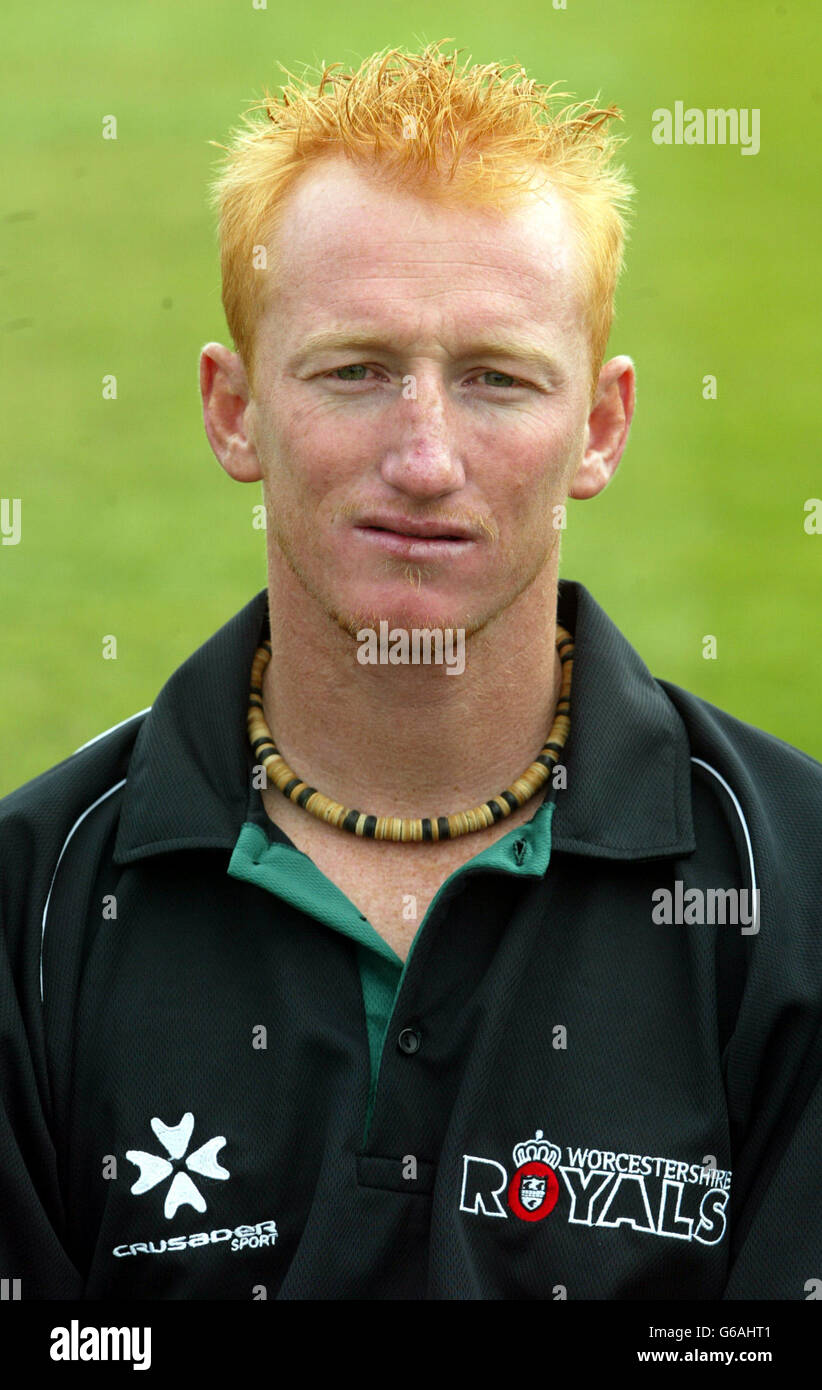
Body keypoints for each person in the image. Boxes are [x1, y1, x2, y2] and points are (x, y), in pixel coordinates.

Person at [1, 42, 820, 1302]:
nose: (425, 457)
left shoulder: (799, 894)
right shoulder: (31, 909)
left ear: (599, 427)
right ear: (235, 411)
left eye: (496, 379)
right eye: (357, 371)